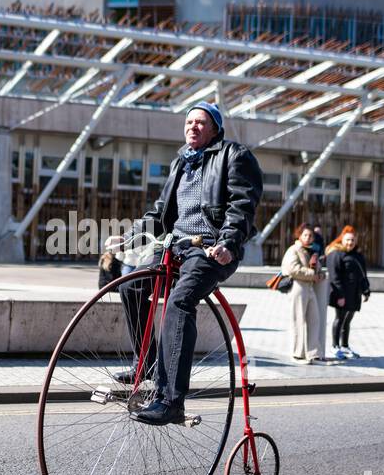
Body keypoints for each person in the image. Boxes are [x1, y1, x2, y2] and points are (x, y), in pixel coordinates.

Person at [116, 101, 263, 425]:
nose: (193, 127)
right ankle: (149, 366)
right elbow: (160, 213)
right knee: (131, 285)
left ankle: (170, 400)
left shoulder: (233, 155)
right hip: (175, 246)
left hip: (211, 247)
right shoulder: (181, 162)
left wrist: (228, 242)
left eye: (200, 122)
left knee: (180, 302)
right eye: (189, 122)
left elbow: (242, 206)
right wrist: (128, 239)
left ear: (215, 129)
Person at [325, 224, 370, 360]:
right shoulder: (336, 254)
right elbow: (334, 276)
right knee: (339, 319)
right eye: (347, 240)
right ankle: (334, 346)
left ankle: (344, 345)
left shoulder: (358, 256)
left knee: (347, 321)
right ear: (342, 241)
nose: (350, 243)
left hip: (354, 294)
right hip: (342, 294)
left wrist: (366, 290)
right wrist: (340, 295)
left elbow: (363, 275)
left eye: (352, 240)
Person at [282, 223, 325, 362]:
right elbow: (293, 269)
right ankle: (297, 352)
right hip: (298, 286)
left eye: (310, 235)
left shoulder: (311, 251)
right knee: (298, 320)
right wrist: (313, 273)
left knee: (314, 320)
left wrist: (319, 273)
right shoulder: (294, 249)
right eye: (305, 235)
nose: (308, 237)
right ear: (299, 235)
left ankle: (313, 353)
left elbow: (317, 268)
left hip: (310, 287)